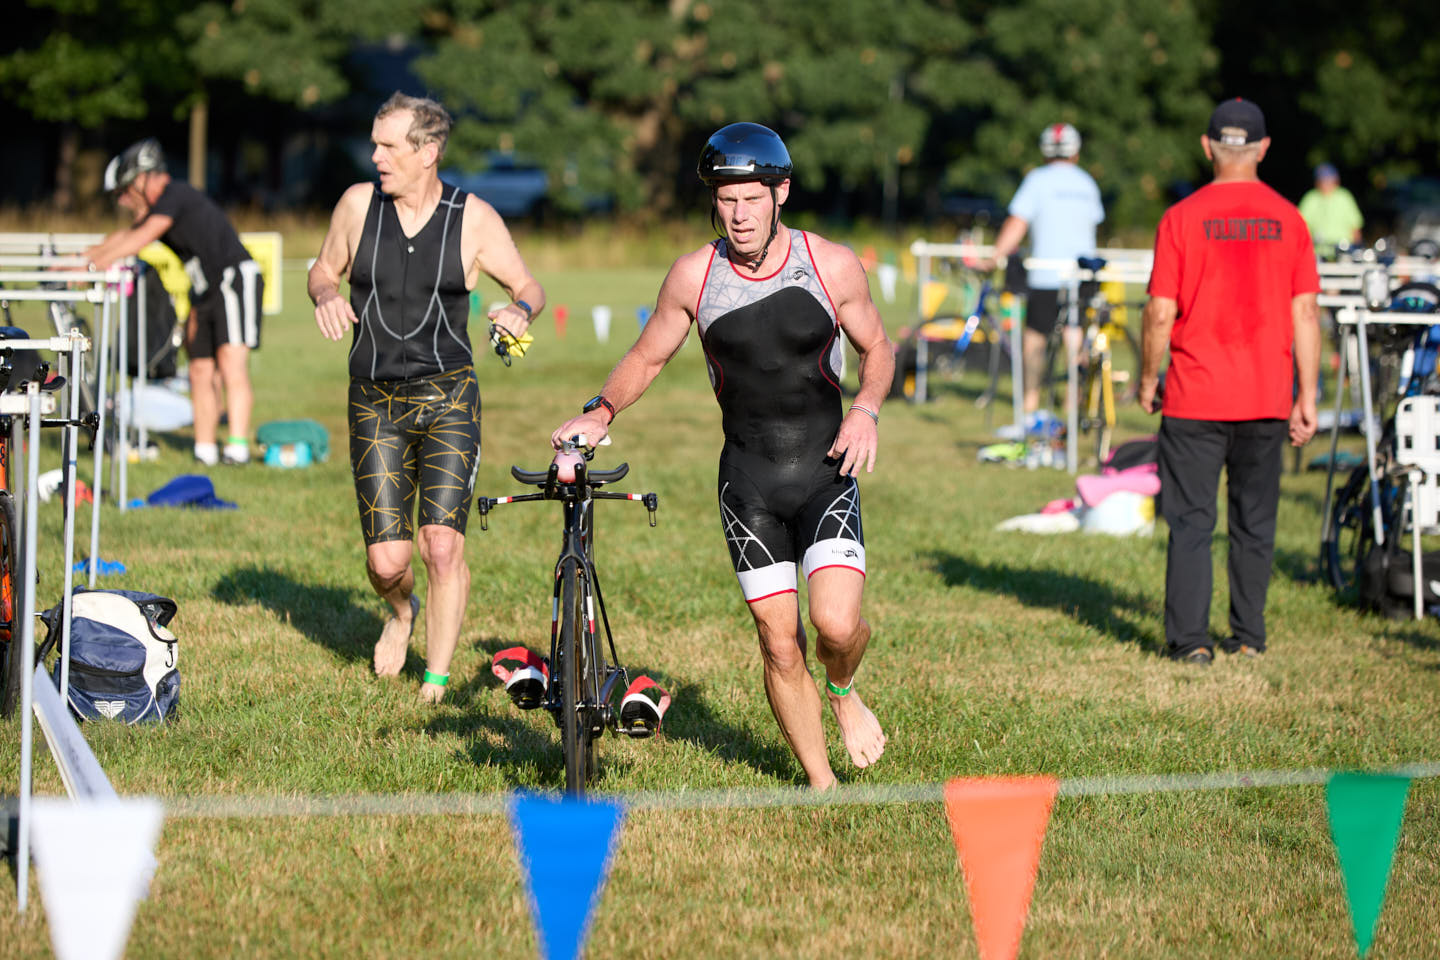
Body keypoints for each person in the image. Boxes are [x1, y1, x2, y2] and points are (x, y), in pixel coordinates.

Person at [551, 123, 893, 789]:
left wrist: (867, 409)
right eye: (726, 201)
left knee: (835, 625)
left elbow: (879, 349)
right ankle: (822, 786)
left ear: (781, 193)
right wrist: (601, 409)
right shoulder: (694, 277)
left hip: (827, 469)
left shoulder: (830, 263)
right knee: (777, 639)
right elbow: (649, 355)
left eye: (752, 199)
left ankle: (844, 690)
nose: (738, 215)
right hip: (749, 481)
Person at [307, 92, 545, 702]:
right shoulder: (358, 205)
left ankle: (435, 682)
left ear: (428, 152)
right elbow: (321, 269)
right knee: (388, 563)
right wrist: (326, 295)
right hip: (375, 402)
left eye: (388, 146)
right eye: (375, 143)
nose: (375, 156)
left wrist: (517, 310)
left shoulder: (473, 218)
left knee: (441, 545)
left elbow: (528, 286)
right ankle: (401, 612)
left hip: (449, 398)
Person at [1139, 98, 1321, 664]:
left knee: (1192, 521)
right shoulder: (1291, 219)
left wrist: (1149, 377)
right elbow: (1307, 313)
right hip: (1266, 394)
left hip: (1195, 395)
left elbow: (1160, 312)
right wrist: (1308, 395)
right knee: (1254, 522)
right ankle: (1248, 637)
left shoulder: (1181, 218)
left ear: (1206, 146)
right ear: (1264, 149)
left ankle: (1191, 642)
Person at [85, 138, 262, 465]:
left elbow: (140, 238)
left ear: (142, 178)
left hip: (233, 280)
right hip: (204, 289)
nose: (124, 201)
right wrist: (78, 261)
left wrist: (90, 268)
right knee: (198, 368)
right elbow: (123, 237)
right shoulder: (158, 208)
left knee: (230, 365)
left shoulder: (175, 195)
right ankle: (205, 450)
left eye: (125, 192)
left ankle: (237, 450)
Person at [985, 123, 1105, 416]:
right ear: (1075, 153)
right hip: (1083, 274)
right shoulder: (1087, 183)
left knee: (1035, 340)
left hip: (1046, 275)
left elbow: (1017, 224)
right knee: (1075, 338)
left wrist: (994, 256)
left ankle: (1030, 403)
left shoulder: (1037, 180)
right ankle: (1074, 403)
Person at [1298, 163, 1364, 256]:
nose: (1326, 183)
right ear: (1317, 182)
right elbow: (1300, 227)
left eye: (1329, 179)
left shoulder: (1344, 197)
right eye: (1323, 180)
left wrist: (1357, 250)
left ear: (1336, 180)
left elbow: (1355, 227)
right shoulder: (1311, 198)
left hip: (1343, 252)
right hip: (1317, 253)